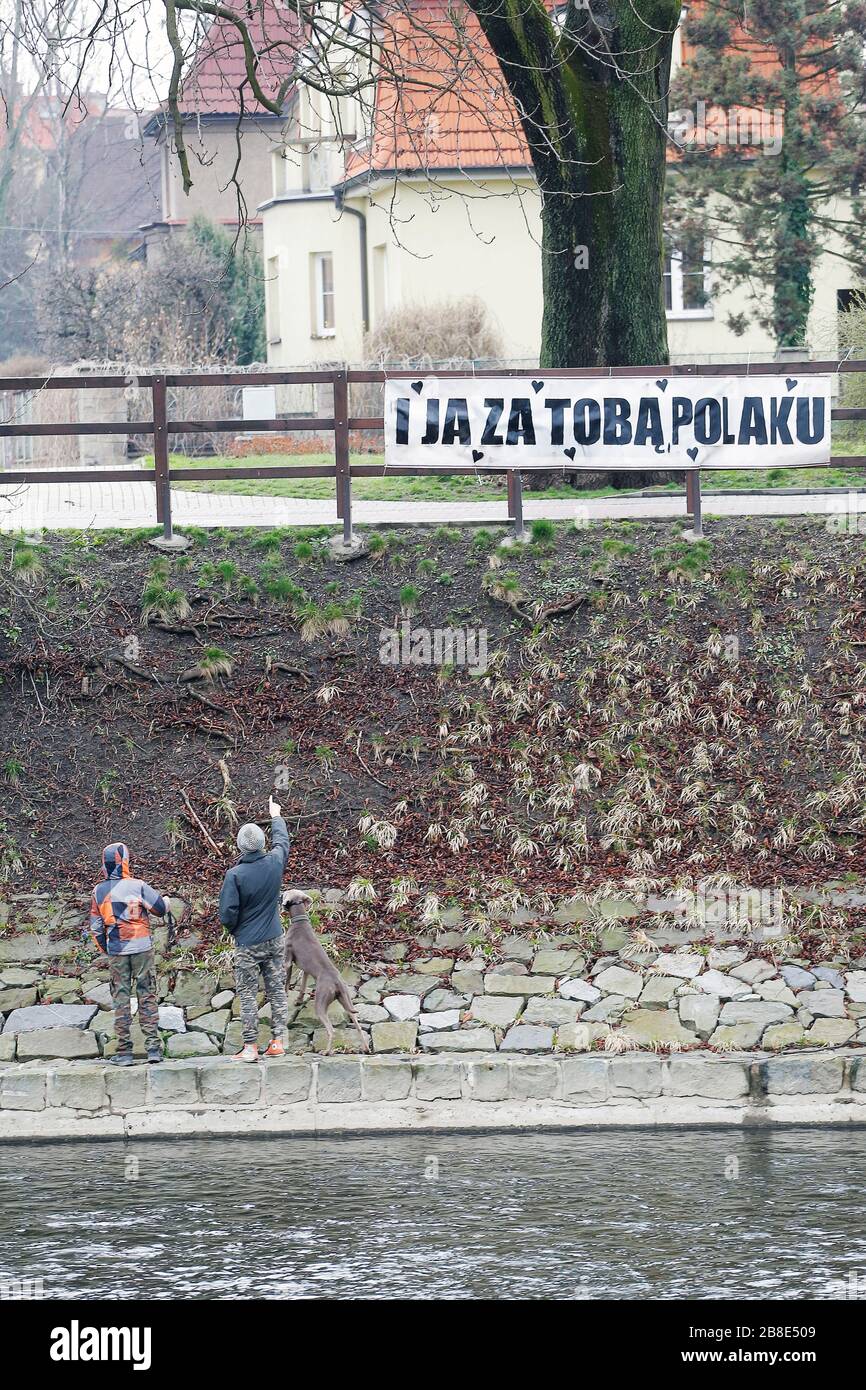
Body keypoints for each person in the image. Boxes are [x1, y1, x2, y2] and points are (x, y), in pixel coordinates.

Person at [219, 796, 291, 1062]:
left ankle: (250, 1047)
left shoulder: (235, 875)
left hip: (247, 943)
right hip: (275, 937)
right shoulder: (274, 862)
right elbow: (282, 841)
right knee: (276, 989)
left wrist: (236, 931)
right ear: (262, 843)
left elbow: (227, 913)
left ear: (240, 847)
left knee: (248, 993)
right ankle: (278, 1041)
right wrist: (276, 816)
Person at [88, 842, 167, 1066]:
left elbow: (95, 929)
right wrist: (167, 903)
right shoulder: (139, 885)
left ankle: (124, 1053)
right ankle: (153, 1049)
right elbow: (160, 909)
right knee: (147, 995)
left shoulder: (98, 891)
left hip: (117, 952)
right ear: (125, 862)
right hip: (143, 949)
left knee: (121, 999)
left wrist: (109, 949)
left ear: (105, 864)